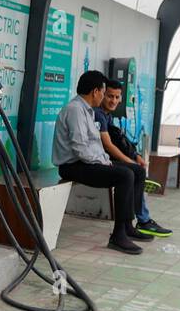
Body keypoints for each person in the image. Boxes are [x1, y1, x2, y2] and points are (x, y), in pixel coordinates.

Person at [53, 70, 147, 254]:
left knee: (137, 171)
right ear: (95, 91)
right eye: (104, 93)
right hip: (72, 166)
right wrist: (103, 163)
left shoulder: (86, 111)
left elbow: (94, 146)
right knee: (124, 175)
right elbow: (81, 148)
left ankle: (128, 225)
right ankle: (118, 236)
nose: (104, 97)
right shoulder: (75, 110)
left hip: (87, 163)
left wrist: (104, 160)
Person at [96, 81, 171, 238]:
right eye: (110, 96)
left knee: (134, 172)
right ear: (101, 94)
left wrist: (135, 156)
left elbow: (118, 140)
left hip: (104, 159)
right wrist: (131, 162)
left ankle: (136, 222)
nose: (113, 101)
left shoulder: (107, 116)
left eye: (117, 97)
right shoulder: (97, 114)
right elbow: (108, 146)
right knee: (133, 173)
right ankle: (141, 221)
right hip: (94, 162)